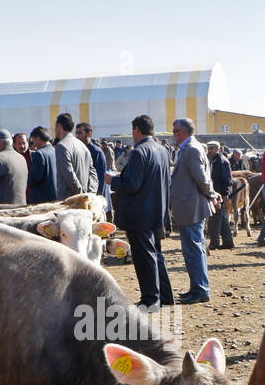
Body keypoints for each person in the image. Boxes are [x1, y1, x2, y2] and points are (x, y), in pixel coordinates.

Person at [109, 114, 173, 310]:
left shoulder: (139, 152)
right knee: (156, 254)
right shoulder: (162, 150)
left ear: (137, 129)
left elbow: (132, 184)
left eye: (133, 130)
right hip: (157, 210)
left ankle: (151, 299)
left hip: (139, 213)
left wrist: (113, 180)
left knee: (144, 256)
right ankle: (165, 295)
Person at [169, 117, 220, 304]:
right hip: (189, 207)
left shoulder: (190, 150)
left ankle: (200, 290)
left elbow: (202, 179)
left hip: (192, 208)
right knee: (193, 249)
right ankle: (196, 288)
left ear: (183, 132)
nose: (173, 135)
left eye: (175, 131)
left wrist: (212, 193)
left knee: (194, 250)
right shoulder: (189, 148)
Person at [53, 113, 96, 199]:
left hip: (70, 202)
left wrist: (82, 196)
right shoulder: (83, 146)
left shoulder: (61, 146)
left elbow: (69, 176)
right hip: (83, 200)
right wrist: (90, 194)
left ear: (59, 126)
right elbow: (93, 174)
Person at [76, 121, 112, 217]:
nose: (77, 136)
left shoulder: (96, 152)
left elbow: (100, 179)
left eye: (80, 133)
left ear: (89, 134)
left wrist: (96, 200)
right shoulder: (79, 150)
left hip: (96, 199)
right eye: (76, 133)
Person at [206, 140, 235, 251]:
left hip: (219, 194)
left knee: (214, 219)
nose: (210, 150)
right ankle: (228, 241)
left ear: (218, 149)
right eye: (209, 148)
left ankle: (214, 243)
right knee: (221, 219)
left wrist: (225, 194)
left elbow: (228, 179)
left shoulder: (222, 161)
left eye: (212, 148)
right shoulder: (212, 160)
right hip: (214, 193)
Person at [27, 127, 58, 203]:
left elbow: (35, 178)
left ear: (37, 138)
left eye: (33, 140)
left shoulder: (39, 154)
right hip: (54, 196)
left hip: (41, 199)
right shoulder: (54, 151)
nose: (33, 143)